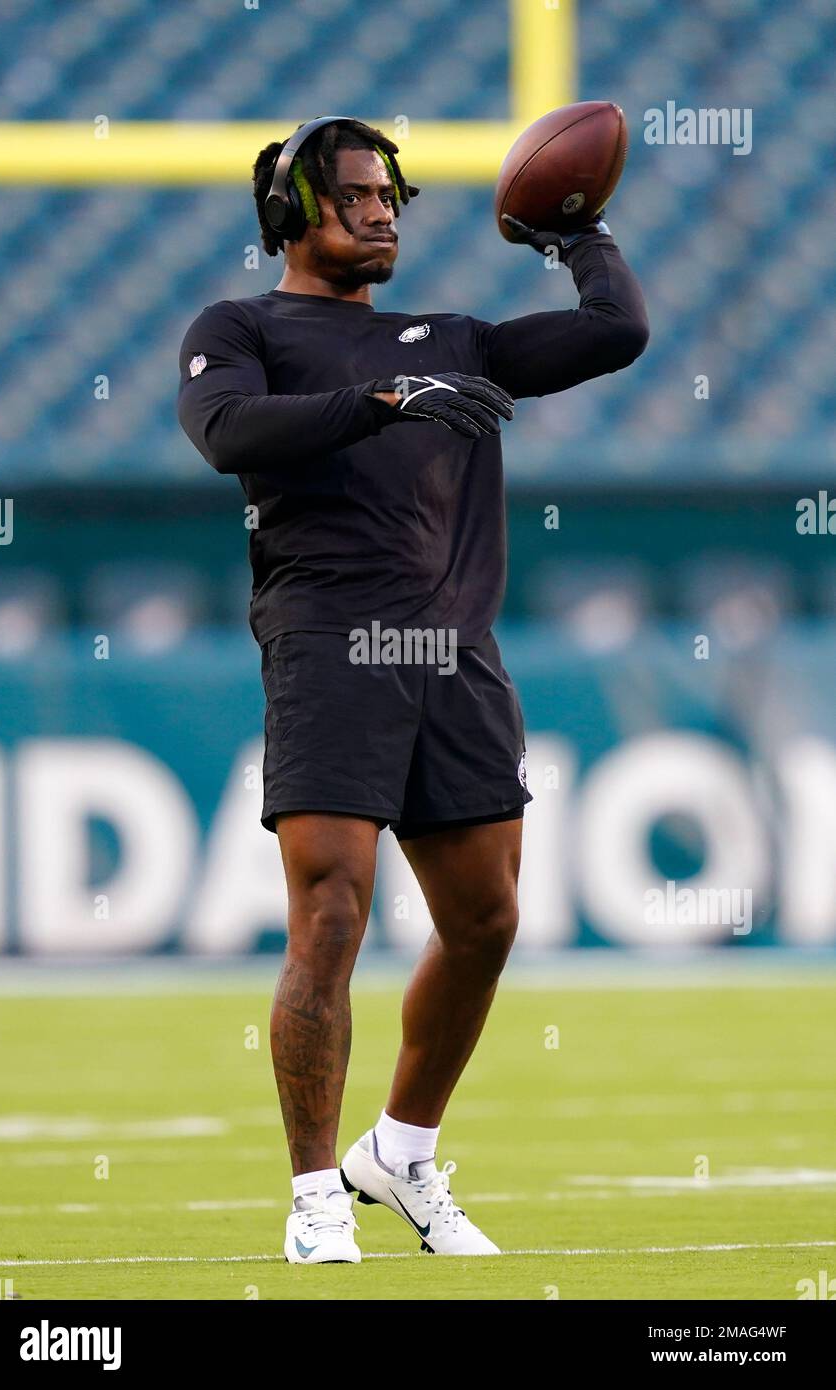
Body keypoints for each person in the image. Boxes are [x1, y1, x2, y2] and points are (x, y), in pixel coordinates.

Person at [178, 115, 648, 1263]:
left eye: (392, 194)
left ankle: (397, 1152)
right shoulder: (240, 326)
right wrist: (385, 403)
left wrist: (572, 230)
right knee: (331, 909)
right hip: (330, 640)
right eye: (355, 194)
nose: (383, 210)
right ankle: (311, 1195)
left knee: (485, 919)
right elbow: (226, 430)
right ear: (294, 209)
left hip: (452, 652)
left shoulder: (452, 336)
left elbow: (616, 331)